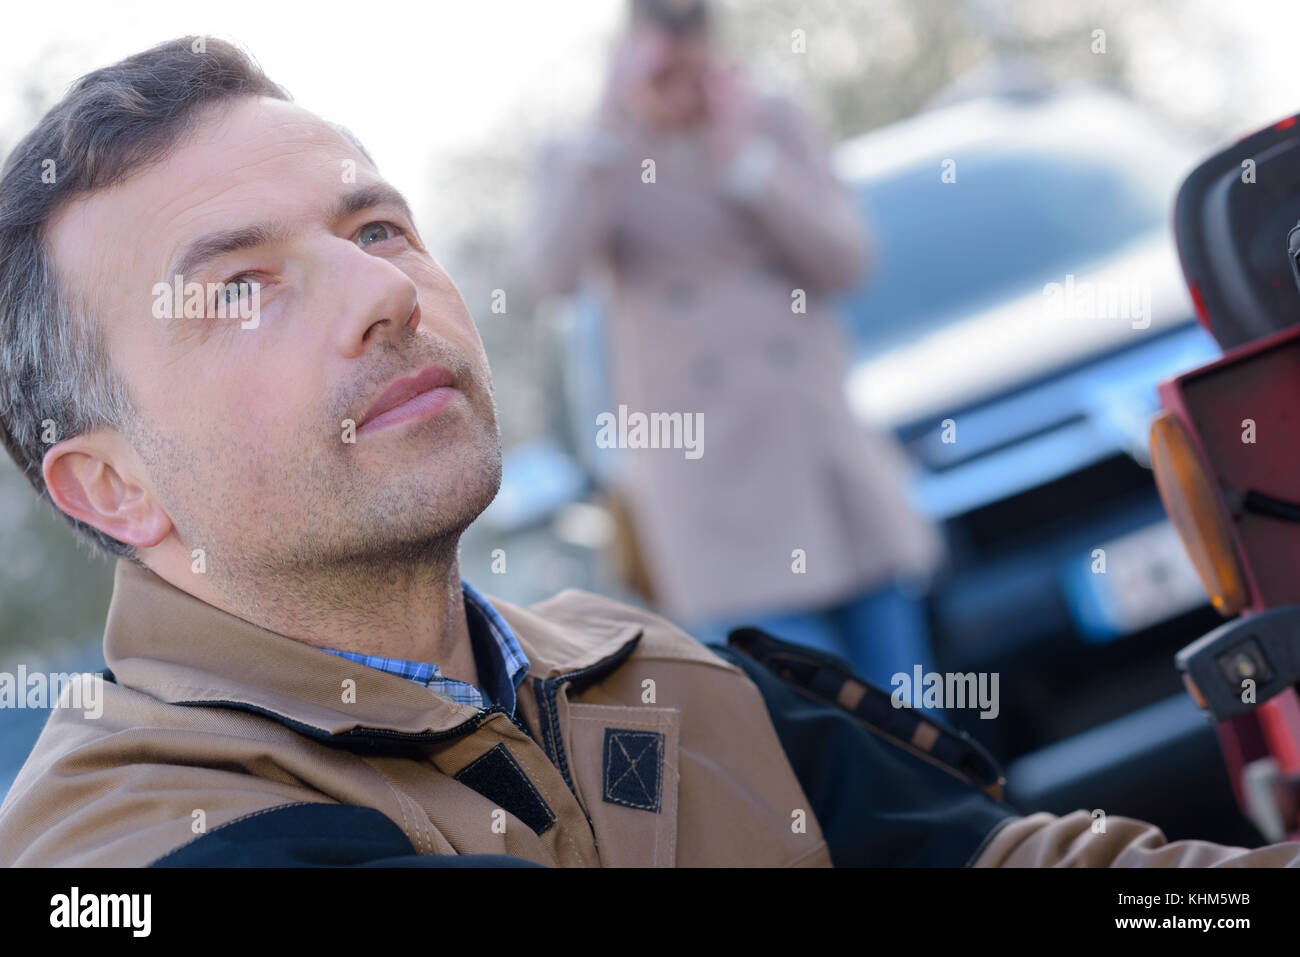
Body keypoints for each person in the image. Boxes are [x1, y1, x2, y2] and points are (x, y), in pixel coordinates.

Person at [0, 35, 1296, 868]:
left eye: (379, 230)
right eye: (240, 289)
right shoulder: (141, 843)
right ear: (112, 486)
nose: (379, 295)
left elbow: (1004, 860)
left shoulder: (656, 673)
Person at [515, 0, 944, 691]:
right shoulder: (590, 153)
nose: (681, 51)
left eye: (693, 27)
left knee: (914, 720)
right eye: (662, 31)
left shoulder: (770, 119)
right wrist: (607, 129)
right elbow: (549, 274)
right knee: (814, 739)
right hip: (716, 508)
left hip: (827, 473)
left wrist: (748, 165)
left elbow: (848, 261)